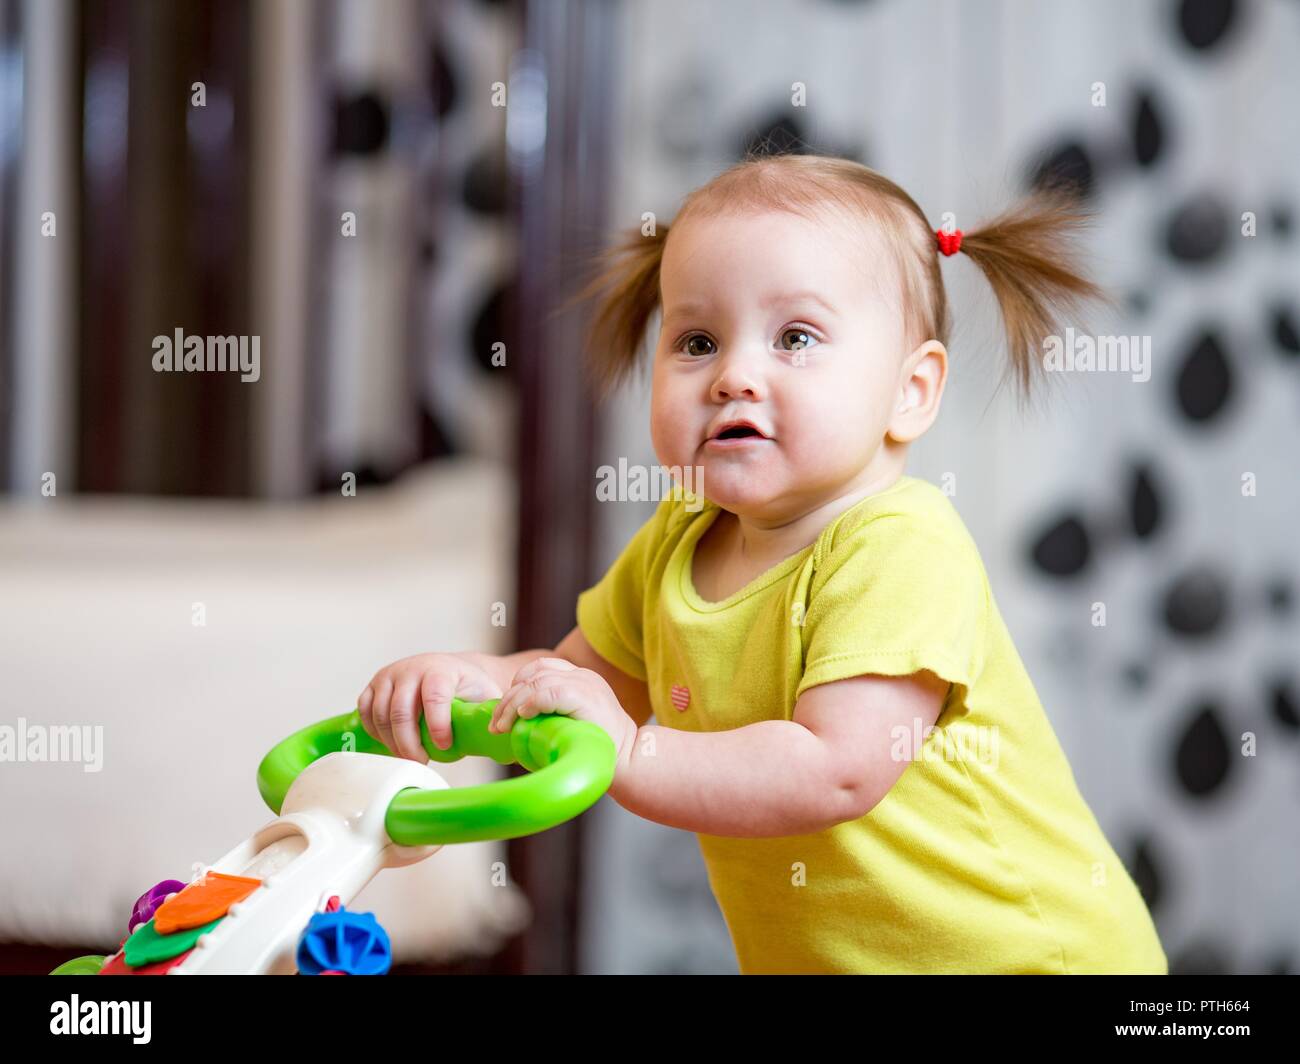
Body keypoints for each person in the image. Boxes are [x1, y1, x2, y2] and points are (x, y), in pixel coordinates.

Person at [358, 153, 1167, 974]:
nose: (734, 376)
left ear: (910, 391)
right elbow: (576, 687)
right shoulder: (678, 541)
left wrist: (634, 755)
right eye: (697, 341)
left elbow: (835, 770)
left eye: (796, 338)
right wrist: (471, 683)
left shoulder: (900, 547)